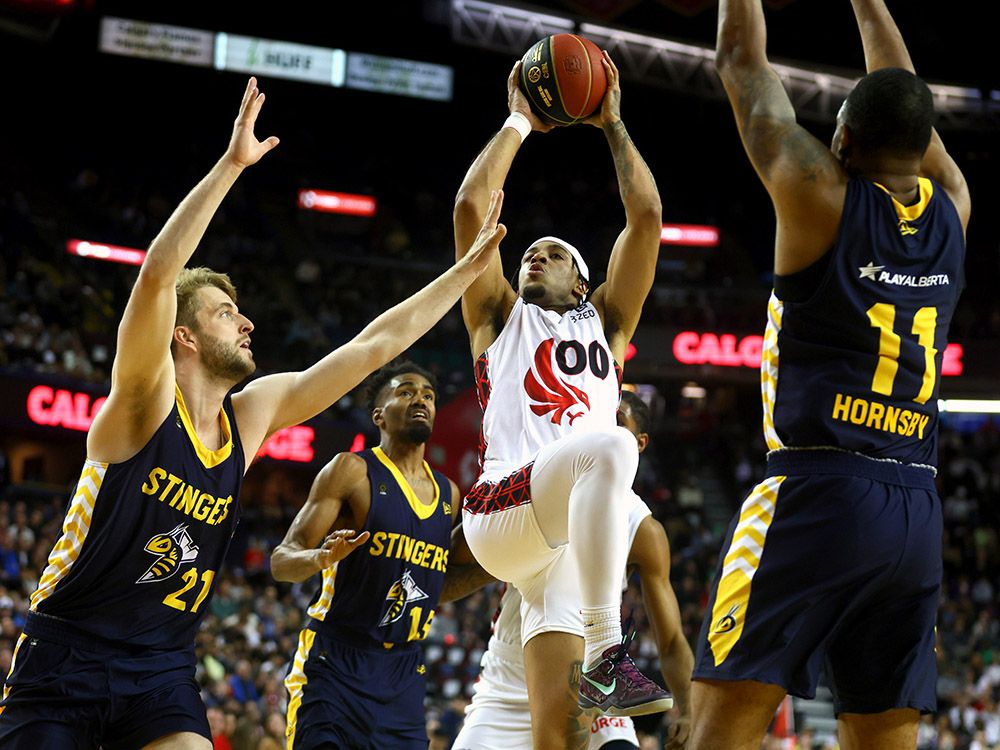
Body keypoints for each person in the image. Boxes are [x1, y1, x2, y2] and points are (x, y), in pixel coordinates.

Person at [0, 78, 508, 749]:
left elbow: (370, 348)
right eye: (222, 312)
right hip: (67, 652)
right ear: (183, 336)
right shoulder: (145, 404)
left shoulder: (251, 415)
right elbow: (158, 273)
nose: (244, 322)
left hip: (160, 669)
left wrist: (463, 275)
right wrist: (232, 167)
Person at [689, 0, 970, 747]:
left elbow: (741, 63)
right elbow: (903, 95)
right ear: (922, 142)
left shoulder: (817, 193)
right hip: (914, 508)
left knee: (715, 730)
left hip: (818, 490)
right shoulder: (954, 210)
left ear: (842, 138)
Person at [454, 50, 669, 748]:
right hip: (502, 507)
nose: (533, 257)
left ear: (584, 282)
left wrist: (613, 124)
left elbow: (646, 219)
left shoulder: (605, 322)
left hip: (563, 544)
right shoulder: (496, 316)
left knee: (568, 734)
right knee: (607, 443)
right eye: (528, 253)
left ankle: (601, 683)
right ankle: (611, 655)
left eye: (551, 252)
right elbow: (468, 208)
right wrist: (518, 119)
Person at [449, 391, 694, 750]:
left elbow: (671, 640)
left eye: (617, 423)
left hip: (587, 694)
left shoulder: (643, 530)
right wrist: (509, 559)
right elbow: (445, 580)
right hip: (509, 685)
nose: (602, 431)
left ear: (639, 444)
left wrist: (688, 709)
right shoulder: (540, 483)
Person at [270, 361, 463, 749]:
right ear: (379, 415)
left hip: (403, 671)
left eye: (427, 395)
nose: (419, 399)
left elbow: (439, 584)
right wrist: (319, 558)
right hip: (335, 660)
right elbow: (281, 561)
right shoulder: (352, 471)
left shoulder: (450, 495)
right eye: (406, 391)